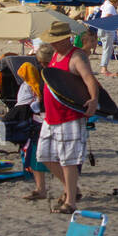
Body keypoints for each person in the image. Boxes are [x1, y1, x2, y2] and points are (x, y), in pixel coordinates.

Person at [37, 21, 100, 214]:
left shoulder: (76, 56)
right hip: (51, 115)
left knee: (68, 160)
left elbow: (90, 79)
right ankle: (72, 189)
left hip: (69, 115)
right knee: (44, 156)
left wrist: (94, 99)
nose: (53, 44)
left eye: (56, 40)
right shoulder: (56, 54)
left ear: (66, 38)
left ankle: (70, 201)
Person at [15, 43, 52, 201]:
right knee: (37, 154)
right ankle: (40, 188)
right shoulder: (41, 75)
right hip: (41, 117)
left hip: (50, 117)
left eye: (44, 62)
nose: (42, 65)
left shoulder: (50, 74)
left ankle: (70, 189)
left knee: (50, 156)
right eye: (41, 62)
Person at [95, 0, 118, 74]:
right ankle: (104, 68)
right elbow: (107, 16)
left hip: (101, 29)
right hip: (107, 29)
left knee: (105, 48)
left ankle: (103, 66)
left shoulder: (105, 4)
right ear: (116, 1)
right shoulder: (111, 7)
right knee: (107, 49)